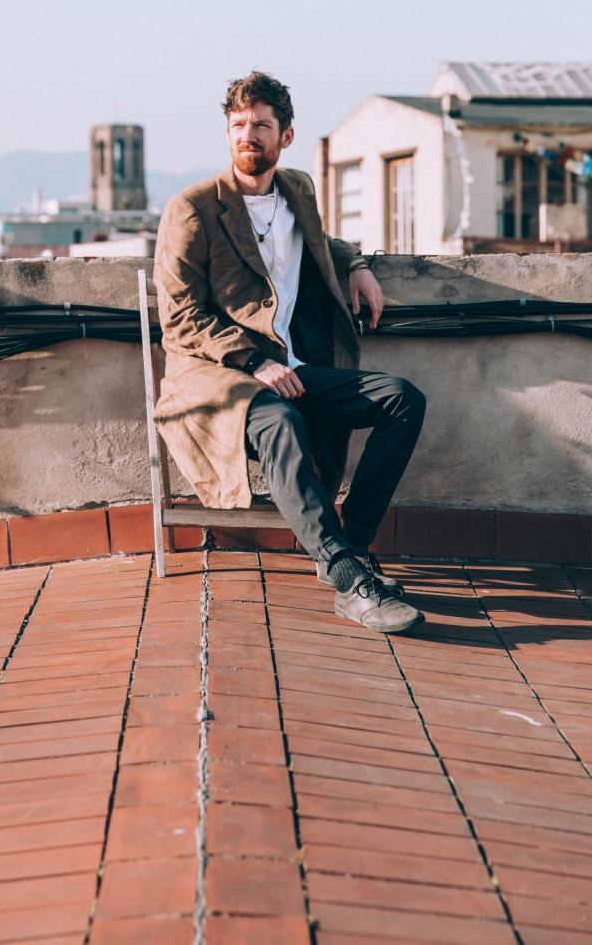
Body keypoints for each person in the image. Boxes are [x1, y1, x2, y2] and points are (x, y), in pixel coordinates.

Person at [153, 70, 426, 634]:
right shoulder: (193, 209)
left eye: (260, 125)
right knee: (279, 420)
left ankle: (349, 547)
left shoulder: (298, 187)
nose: (247, 135)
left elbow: (316, 238)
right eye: (237, 125)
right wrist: (255, 362)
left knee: (401, 400)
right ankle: (352, 581)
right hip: (217, 377)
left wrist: (357, 265)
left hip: (294, 366)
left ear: (286, 136)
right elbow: (180, 316)